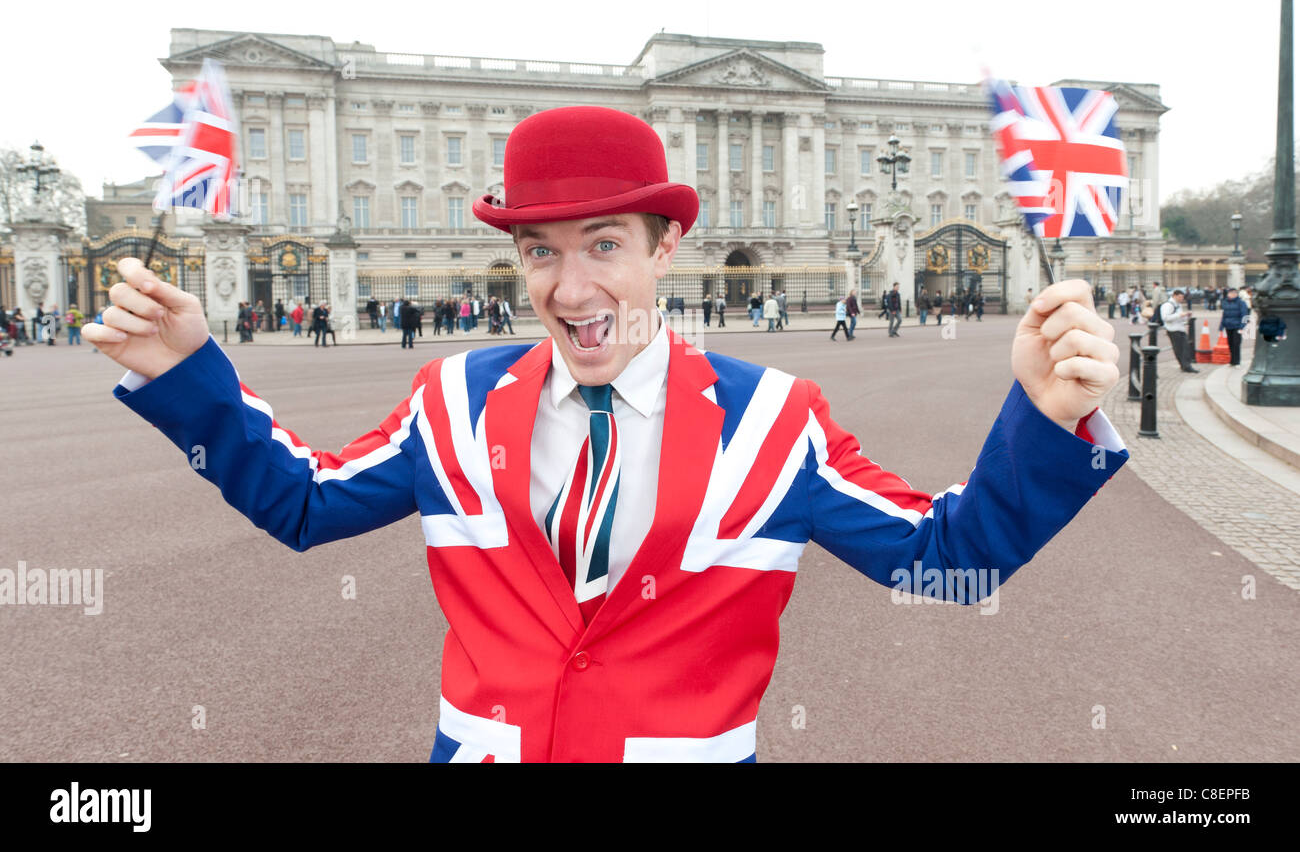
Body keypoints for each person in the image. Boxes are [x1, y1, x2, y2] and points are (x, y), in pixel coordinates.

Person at [89, 105, 1127, 764]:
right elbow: (304, 504)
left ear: (666, 247)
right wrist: (192, 377)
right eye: (539, 252)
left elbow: (944, 562)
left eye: (601, 244)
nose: (571, 287)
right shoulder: (452, 398)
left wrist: (1044, 418)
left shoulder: (772, 421)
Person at [1159, 289, 1198, 373]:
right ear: (1174, 296)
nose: (1181, 299)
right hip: (1173, 329)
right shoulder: (1168, 305)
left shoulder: (1178, 305)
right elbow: (1165, 318)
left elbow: (1180, 317)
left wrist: (1186, 316)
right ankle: (1185, 366)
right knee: (1180, 349)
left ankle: (1185, 365)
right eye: (1180, 297)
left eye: (1182, 297)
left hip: (1180, 328)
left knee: (1185, 347)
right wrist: (1179, 315)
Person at [1219, 287, 1250, 367]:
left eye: (1233, 293)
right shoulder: (1225, 302)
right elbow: (1224, 314)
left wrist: (1242, 326)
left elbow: (1245, 315)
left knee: (1236, 344)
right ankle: (1232, 361)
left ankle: (1237, 362)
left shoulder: (1241, 303)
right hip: (1228, 326)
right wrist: (1221, 326)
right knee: (1230, 344)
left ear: (1236, 294)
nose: (1231, 295)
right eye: (1230, 293)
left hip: (1237, 326)